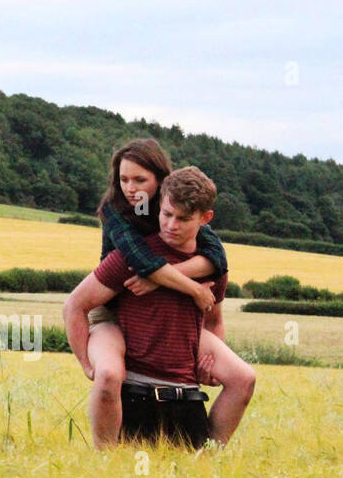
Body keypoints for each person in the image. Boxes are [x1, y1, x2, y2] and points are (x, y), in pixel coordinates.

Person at [64, 166, 256, 448]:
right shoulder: (130, 257)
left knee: (245, 378)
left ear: (206, 218)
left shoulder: (212, 266)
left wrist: (207, 367)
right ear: (159, 207)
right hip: (136, 374)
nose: (171, 225)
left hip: (185, 387)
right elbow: (74, 306)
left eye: (183, 219)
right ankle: (104, 458)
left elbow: (213, 319)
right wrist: (86, 363)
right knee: (107, 376)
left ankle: (212, 456)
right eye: (166, 214)